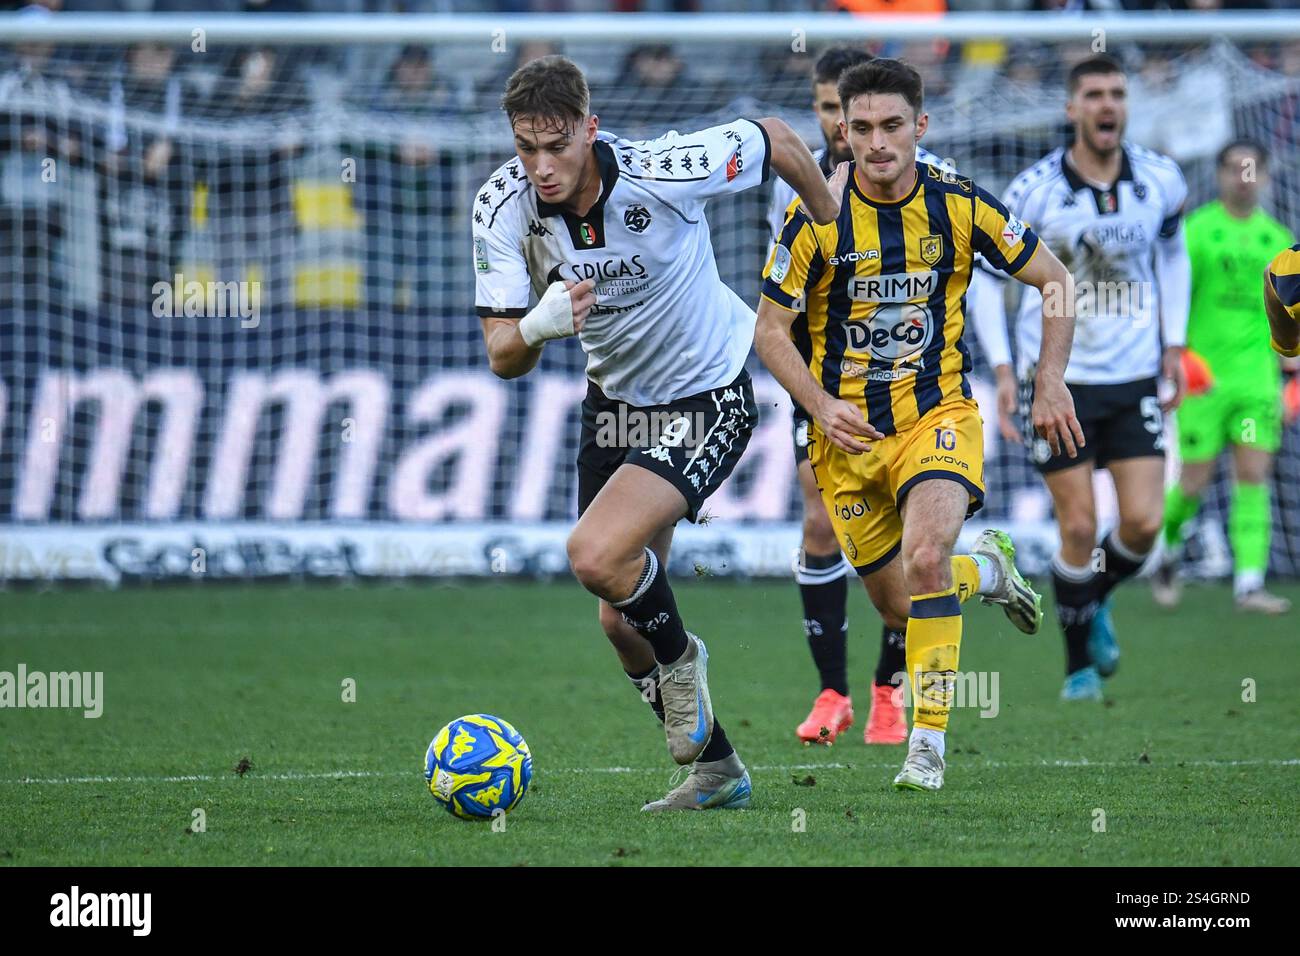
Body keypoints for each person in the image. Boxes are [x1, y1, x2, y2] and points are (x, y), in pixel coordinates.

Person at [473, 55, 840, 810]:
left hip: (709, 394)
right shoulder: (499, 208)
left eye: (557, 145)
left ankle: (685, 662)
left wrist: (836, 236)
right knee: (618, 620)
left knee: (594, 553)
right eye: (525, 148)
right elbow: (502, 355)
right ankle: (718, 772)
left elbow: (776, 139)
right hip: (613, 404)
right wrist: (540, 325)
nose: (541, 166)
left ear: (590, 128)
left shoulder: (665, 169)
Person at [755, 58, 1083, 792]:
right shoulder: (814, 218)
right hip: (846, 441)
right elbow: (769, 330)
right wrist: (818, 405)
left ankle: (926, 746)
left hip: (937, 416)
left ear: (920, 127)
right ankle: (991, 571)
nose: (877, 143)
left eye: (892, 126)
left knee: (927, 561)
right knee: (902, 600)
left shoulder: (959, 205)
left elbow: (1056, 279)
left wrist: (1049, 380)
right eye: (861, 127)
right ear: (841, 130)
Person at [973, 54, 1190, 701]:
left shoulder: (1161, 180)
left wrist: (1174, 343)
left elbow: (1173, 253)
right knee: (1075, 527)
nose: (1106, 105)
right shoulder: (1033, 190)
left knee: (1144, 525)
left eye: (1117, 94)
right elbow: (987, 282)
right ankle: (1077, 669)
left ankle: (1089, 598)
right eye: (1093, 94)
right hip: (1057, 382)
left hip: (1131, 377)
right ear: (1071, 108)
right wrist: (1008, 372)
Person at [765, 45, 950, 747]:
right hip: (821, 378)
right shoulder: (790, 182)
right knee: (822, 524)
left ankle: (887, 691)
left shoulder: (921, 182)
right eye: (830, 113)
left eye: (859, 117)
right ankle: (832, 691)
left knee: (918, 547)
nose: (845, 129)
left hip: (907, 377)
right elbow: (774, 295)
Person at [1152, 140, 1295, 614]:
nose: (1244, 177)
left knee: (1252, 476)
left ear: (1266, 177)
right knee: (1191, 483)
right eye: (1235, 169)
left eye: (1252, 169)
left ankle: (1249, 584)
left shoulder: (1276, 240)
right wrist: (1178, 356)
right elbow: (1167, 300)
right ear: (1219, 175)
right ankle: (1168, 554)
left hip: (1255, 382)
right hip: (1202, 381)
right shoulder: (1197, 232)